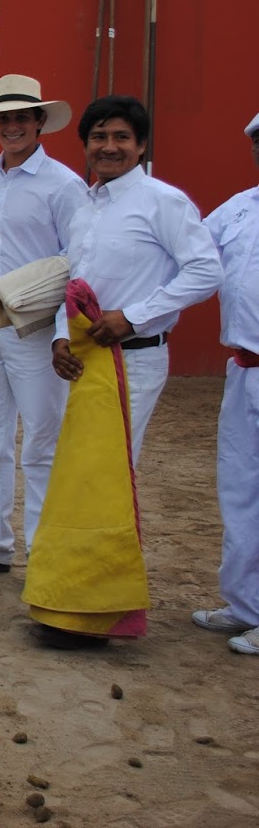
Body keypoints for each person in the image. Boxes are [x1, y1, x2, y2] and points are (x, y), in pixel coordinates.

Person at [0, 76, 86, 576]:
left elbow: (76, 262)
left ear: (38, 124)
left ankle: (45, 552)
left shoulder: (65, 186)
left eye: (21, 118)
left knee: (41, 439)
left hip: (33, 323)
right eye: (3, 118)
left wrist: (61, 330)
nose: (12, 126)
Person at [51, 95, 221, 461]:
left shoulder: (163, 201)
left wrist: (133, 317)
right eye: (98, 137)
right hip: (82, 358)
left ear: (141, 145)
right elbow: (75, 282)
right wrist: (61, 336)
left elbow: (206, 271)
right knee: (77, 466)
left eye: (121, 137)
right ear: (85, 146)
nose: (109, 147)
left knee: (110, 467)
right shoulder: (85, 207)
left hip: (134, 358)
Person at [192, 111, 259, 656]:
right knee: (239, 490)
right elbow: (187, 258)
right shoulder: (237, 210)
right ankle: (246, 604)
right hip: (243, 370)